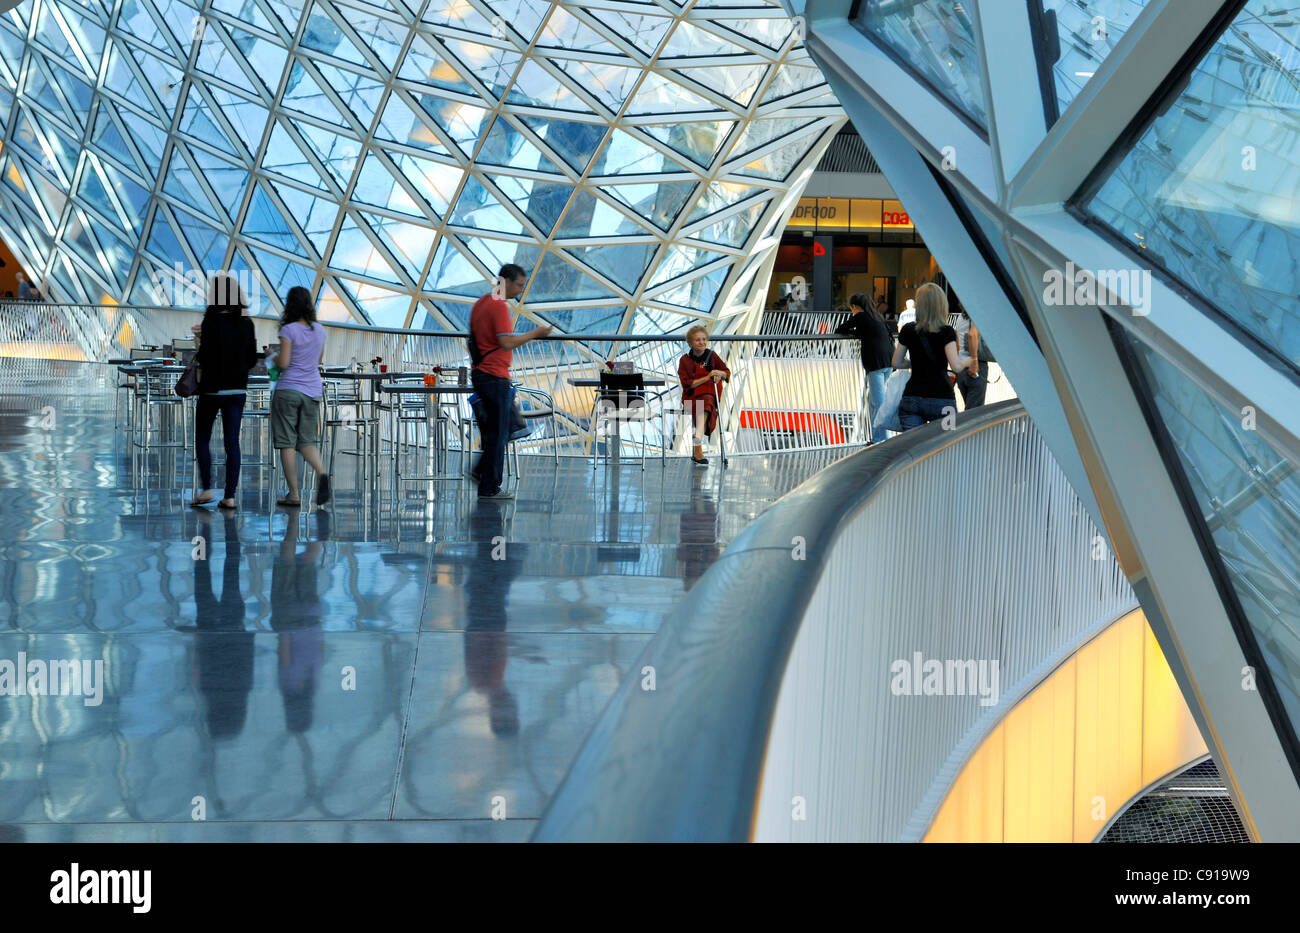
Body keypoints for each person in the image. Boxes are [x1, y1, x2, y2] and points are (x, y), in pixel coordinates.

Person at [469, 263, 553, 500]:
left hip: (480, 374)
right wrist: (535, 334)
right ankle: (489, 486)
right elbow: (505, 342)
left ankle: (481, 474)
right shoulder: (498, 307)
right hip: (495, 376)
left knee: (493, 431)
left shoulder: (481, 304)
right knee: (499, 432)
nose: (520, 289)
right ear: (505, 281)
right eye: (519, 284)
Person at [190, 273, 257, 510]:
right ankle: (230, 496)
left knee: (203, 438)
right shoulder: (247, 322)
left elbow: (205, 357)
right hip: (237, 389)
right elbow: (251, 359)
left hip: (212, 389)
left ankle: (207, 488)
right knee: (232, 442)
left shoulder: (211, 322)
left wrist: (199, 346)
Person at [271, 286, 330, 508]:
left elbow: (284, 363)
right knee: (306, 441)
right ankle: (322, 473)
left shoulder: (289, 330)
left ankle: (294, 494)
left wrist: (272, 357)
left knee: (287, 442)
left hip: (289, 390)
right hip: (313, 390)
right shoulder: (320, 330)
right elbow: (317, 361)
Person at [892, 283, 964, 430]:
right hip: (942, 398)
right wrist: (970, 360)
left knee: (913, 449)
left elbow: (896, 362)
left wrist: (913, 364)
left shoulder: (908, 329)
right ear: (941, 305)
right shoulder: (947, 331)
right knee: (947, 446)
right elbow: (955, 366)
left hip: (912, 398)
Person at [835, 293, 894, 444]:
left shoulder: (861, 316)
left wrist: (854, 333)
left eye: (851, 309)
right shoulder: (877, 316)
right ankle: (878, 437)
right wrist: (859, 333)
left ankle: (880, 439)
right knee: (875, 401)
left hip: (875, 364)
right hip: (887, 362)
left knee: (877, 402)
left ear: (854, 307)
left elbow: (840, 329)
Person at [678, 325, 730, 466]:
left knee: (706, 401)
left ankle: (698, 443)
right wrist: (707, 377)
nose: (701, 342)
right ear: (690, 343)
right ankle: (697, 444)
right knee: (703, 403)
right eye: (697, 340)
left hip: (709, 398)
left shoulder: (712, 356)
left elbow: (727, 372)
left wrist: (719, 373)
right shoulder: (684, 361)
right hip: (691, 398)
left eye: (703, 339)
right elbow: (687, 385)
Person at [956, 308, 988, 410]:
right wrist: (974, 361)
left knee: (968, 409)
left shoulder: (960, 317)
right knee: (974, 414)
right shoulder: (977, 316)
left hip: (962, 366)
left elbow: (957, 343)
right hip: (976, 366)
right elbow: (972, 335)